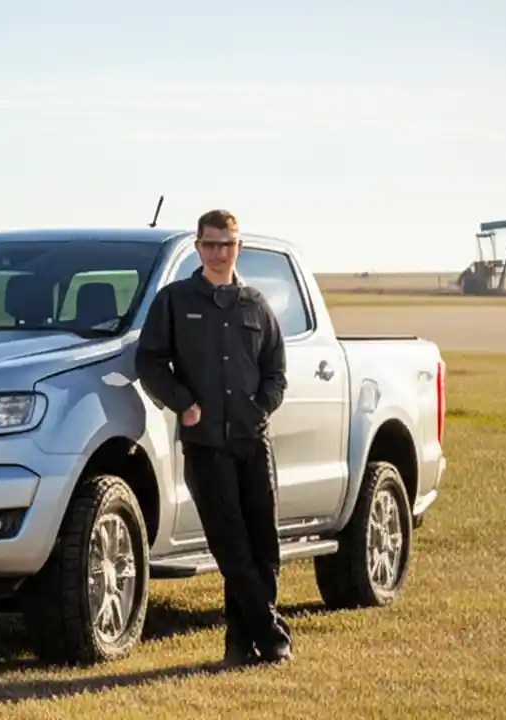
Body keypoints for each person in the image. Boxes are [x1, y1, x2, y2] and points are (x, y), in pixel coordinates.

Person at [135, 209, 293, 666]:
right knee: (231, 544)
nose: (219, 252)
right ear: (199, 247)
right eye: (210, 244)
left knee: (263, 544)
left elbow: (276, 371)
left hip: (251, 441)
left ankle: (240, 644)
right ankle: (273, 635)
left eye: (227, 244)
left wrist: (261, 406)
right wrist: (182, 402)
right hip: (205, 444)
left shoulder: (255, 305)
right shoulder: (175, 301)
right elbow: (148, 362)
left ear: (238, 247)